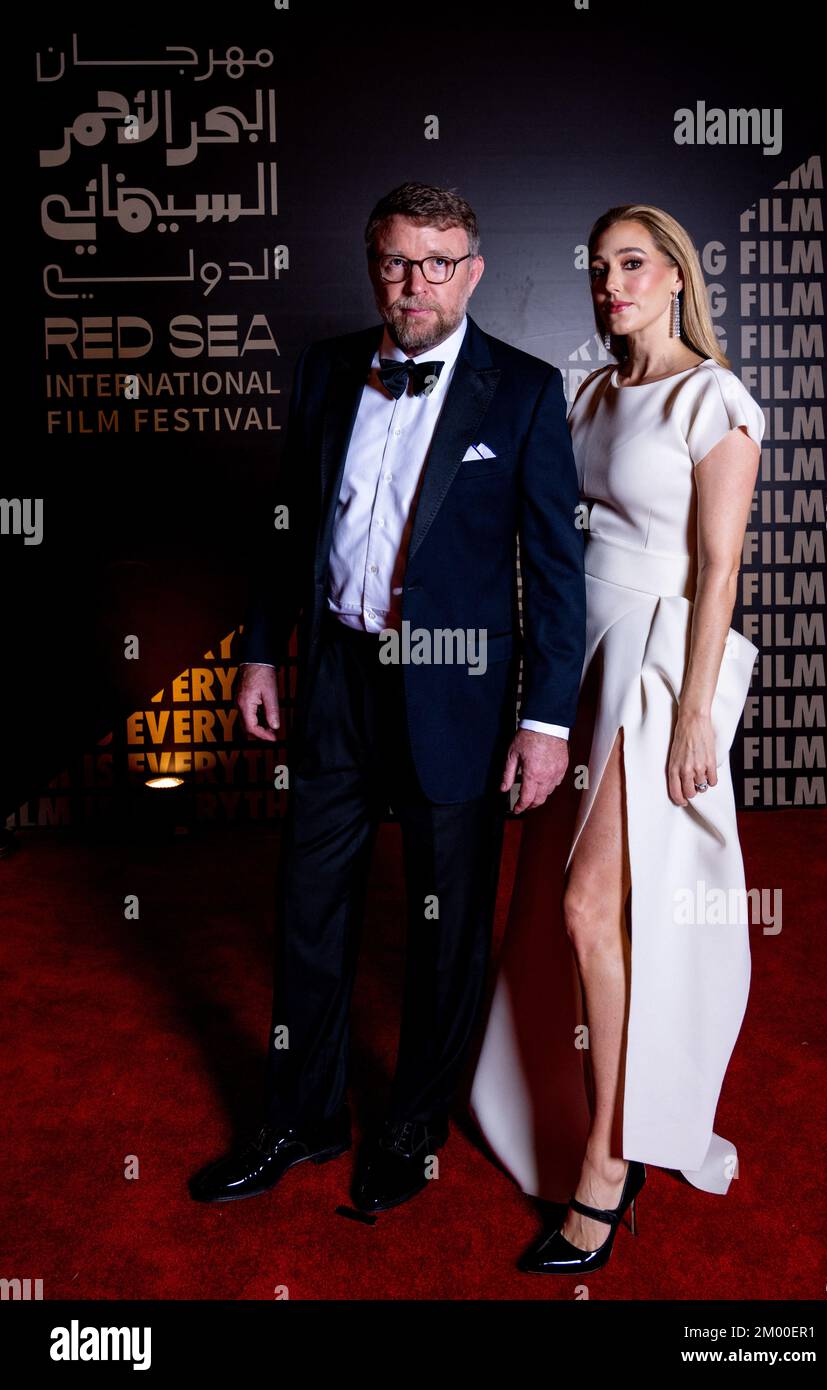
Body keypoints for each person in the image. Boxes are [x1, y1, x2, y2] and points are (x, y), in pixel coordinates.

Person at [188, 182, 586, 1215]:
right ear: (374, 264)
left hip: (456, 693)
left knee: (445, 926)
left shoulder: (527, 390)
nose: (415, 282)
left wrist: (543, 721)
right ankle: (301, 1116)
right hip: (333, 681)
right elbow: (287, 527)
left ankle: (410, 1130)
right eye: (396, 261)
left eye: (437, 261)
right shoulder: (326, 367)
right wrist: (263, 654)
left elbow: (555, 571)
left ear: (475, 268)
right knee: (308, 910)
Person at [469, 204, 765, 1275]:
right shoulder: (589, 389)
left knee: (588, 903)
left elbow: (717, 569)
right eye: (597, 268)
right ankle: (576, 1111)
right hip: (578, 653)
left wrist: (694, 708)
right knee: (561, 903)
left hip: (651, 662)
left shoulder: (712, 398)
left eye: (631, 264)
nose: (611, 284)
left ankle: (608, 1160)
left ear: (675, 276)